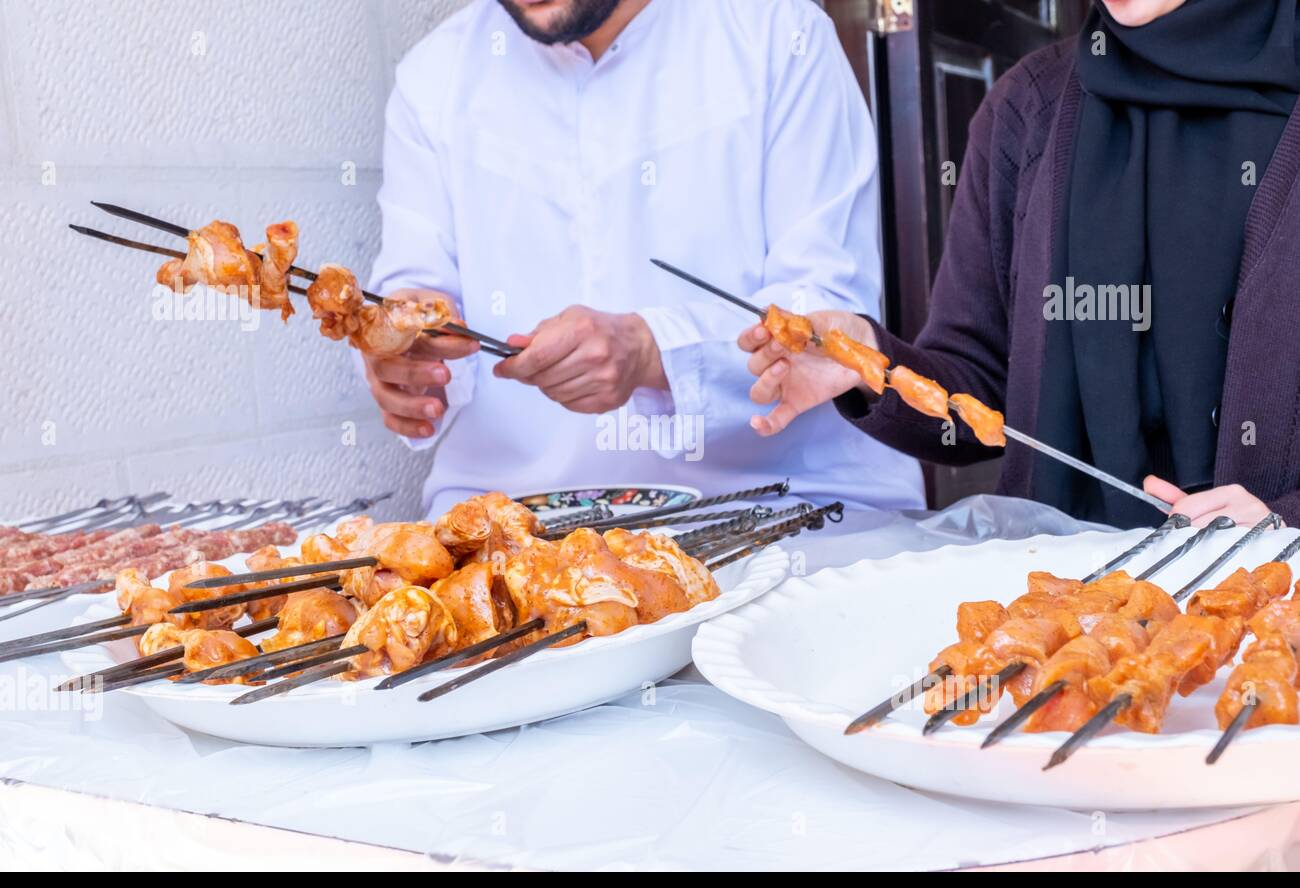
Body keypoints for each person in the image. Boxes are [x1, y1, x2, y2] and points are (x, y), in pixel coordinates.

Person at [739, 0, 1300, 529]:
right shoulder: (1027, 108)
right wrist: (865, 359)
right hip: (1060, 608)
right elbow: (980, 399)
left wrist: (1283, 525)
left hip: (1272, 609)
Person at [366, 0, 923, 516]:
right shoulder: (435, 74)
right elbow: (413, 288)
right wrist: (408, 361)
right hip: (507, 522)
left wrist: (651, 352)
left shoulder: (778, 31)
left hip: (784, 506)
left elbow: (826, 319)